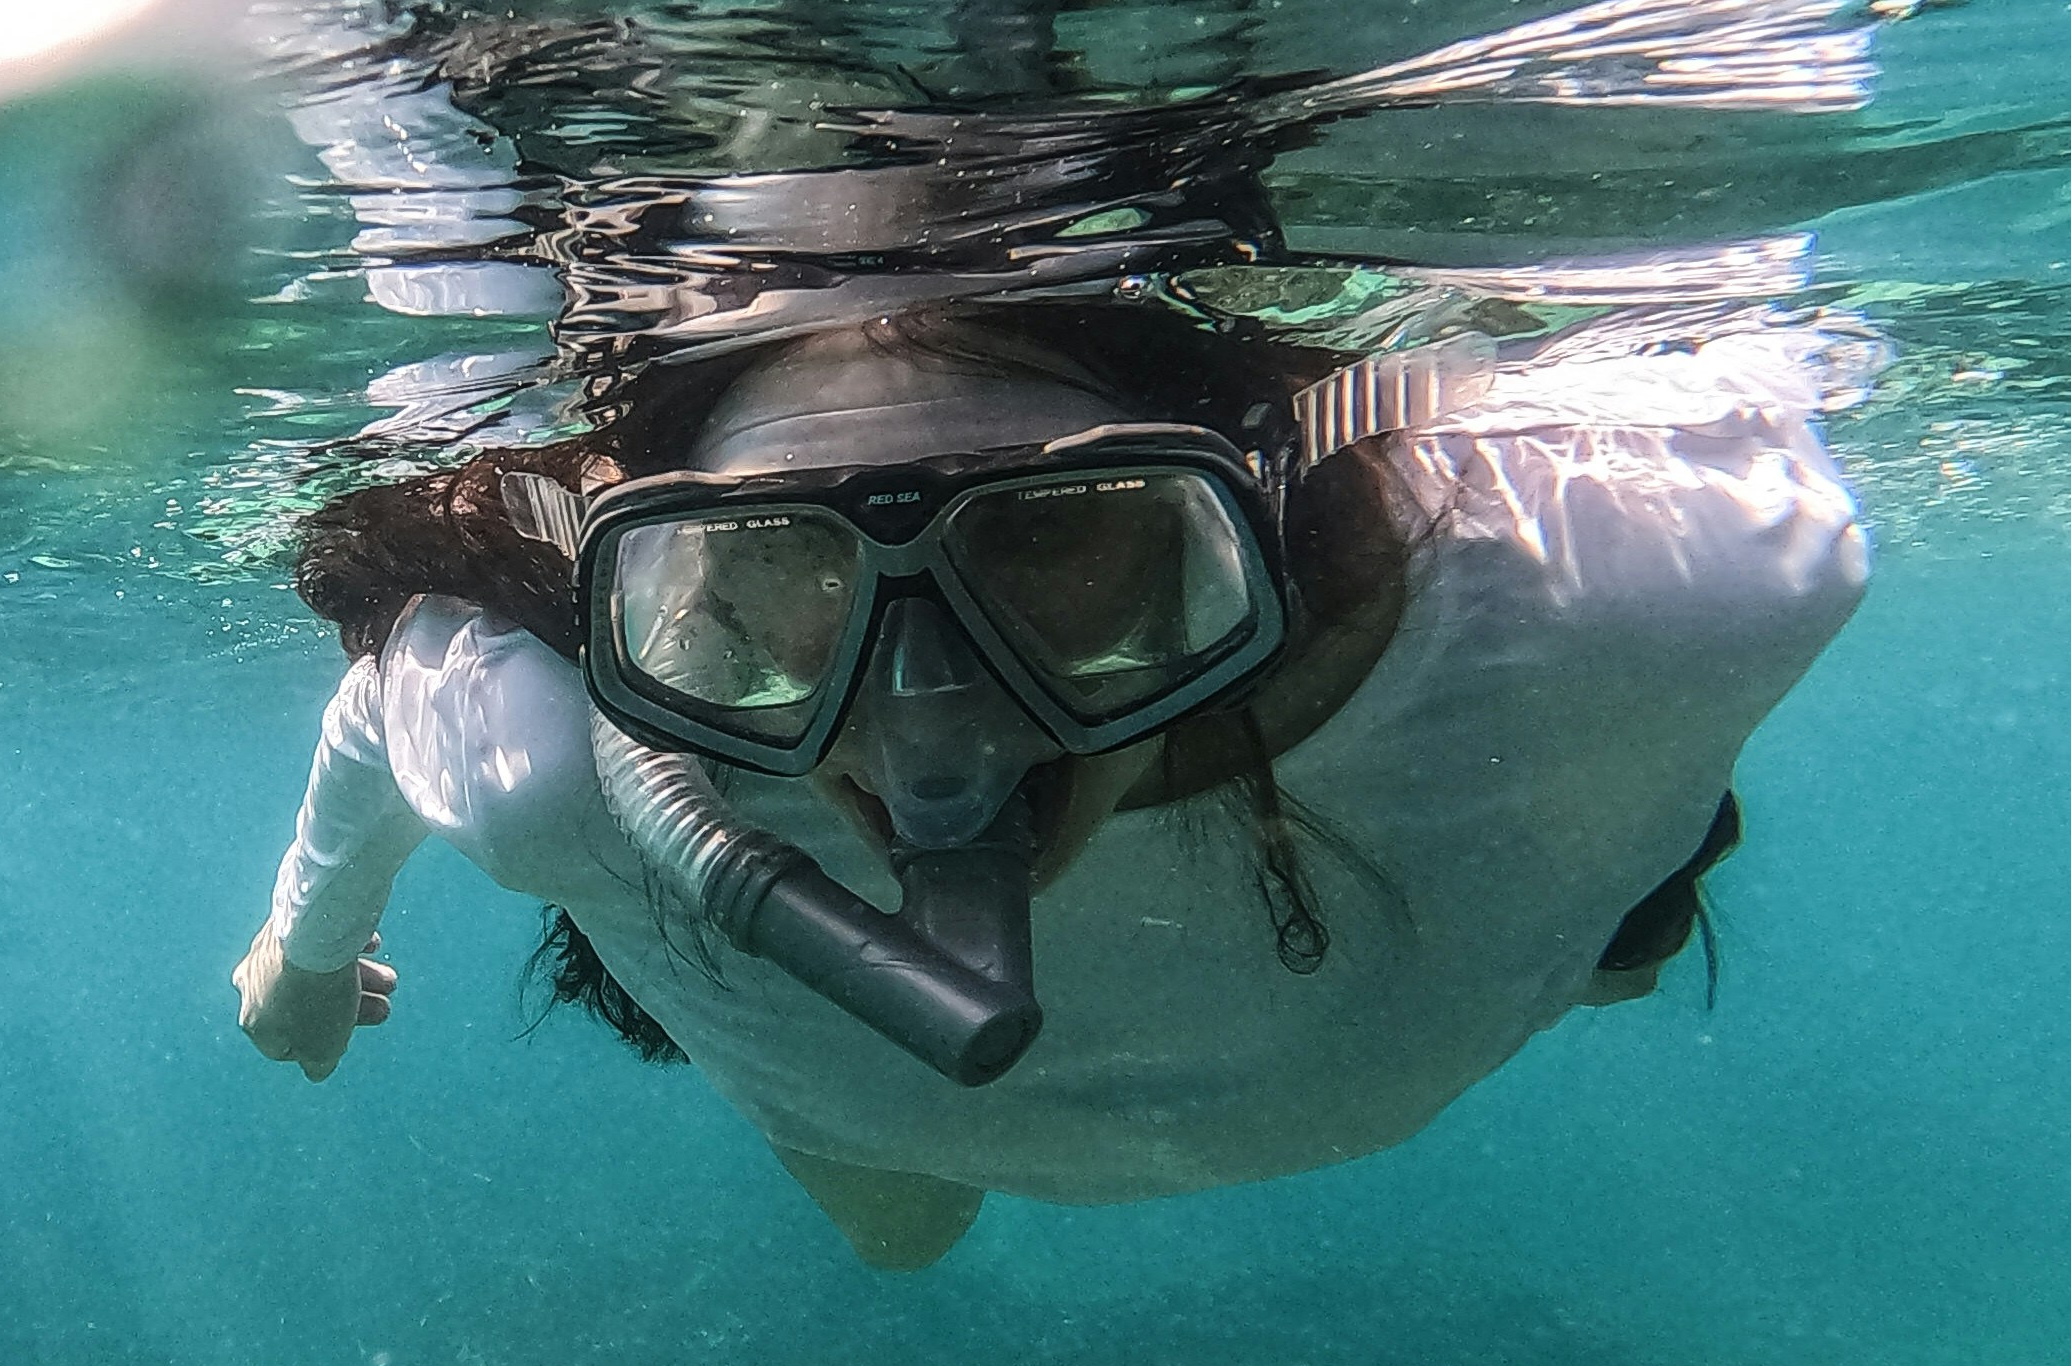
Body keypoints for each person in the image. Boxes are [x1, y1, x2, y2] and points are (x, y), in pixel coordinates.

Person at [232, 285, 1865, 1268]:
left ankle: (1622, 912)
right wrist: (301, 948)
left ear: (1244, 527)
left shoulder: (1646, 600)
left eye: (1059, 547)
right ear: (680, 593)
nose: (930, 724)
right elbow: (382, 712)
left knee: (900, 1208)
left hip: (873, 1091)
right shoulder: (559, 768)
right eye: (789, 577)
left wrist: (299, 964)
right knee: (900, 1218)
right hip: (865, 1102)